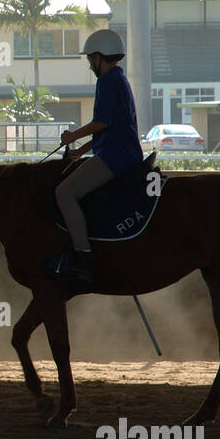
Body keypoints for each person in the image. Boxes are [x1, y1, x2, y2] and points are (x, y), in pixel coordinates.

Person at [50, 29, 143, 284]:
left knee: (64, 193)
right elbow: (111, 127)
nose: (90, 63)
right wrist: (80, 151)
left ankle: (84, 255)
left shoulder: (107, 81)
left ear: (100, 57)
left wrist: (72, 137)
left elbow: (101, 122)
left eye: (91, 58)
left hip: (117, 157)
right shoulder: (118, 79)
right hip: (120, 151)